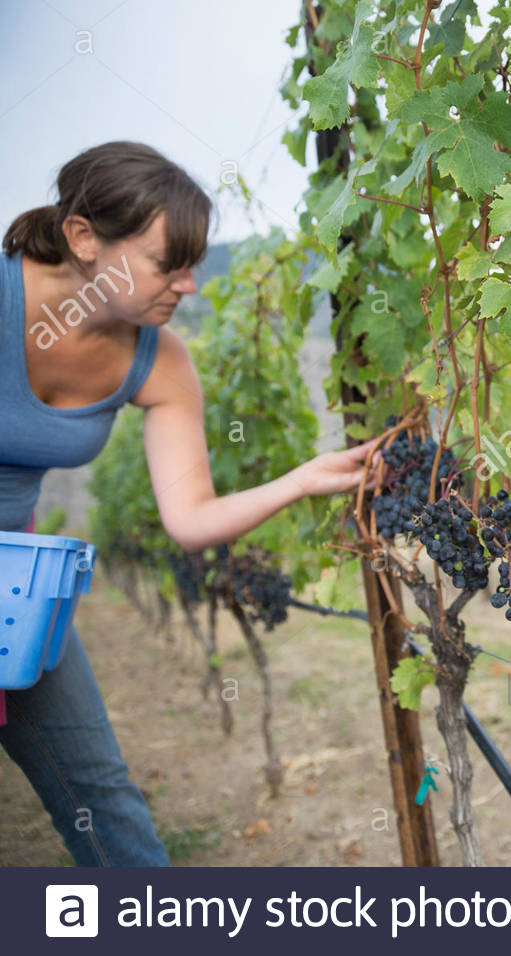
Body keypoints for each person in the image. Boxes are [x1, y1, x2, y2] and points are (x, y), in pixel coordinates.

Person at [0, 141, 376, 866]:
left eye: (193, 265)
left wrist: (299, 479)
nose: (190, 286)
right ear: (83, 239)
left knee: (101, 795)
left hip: (17, 593)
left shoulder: (160, 360)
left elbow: (190, 519)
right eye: (166, 264)